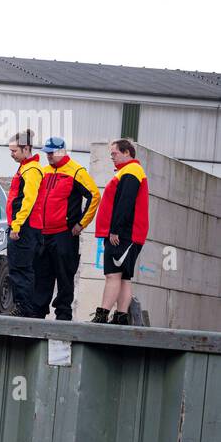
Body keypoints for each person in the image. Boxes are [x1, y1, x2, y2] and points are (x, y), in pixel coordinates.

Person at [29, 136, 100, 320]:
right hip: (43, 234)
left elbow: (94, 195)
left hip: (64, 234)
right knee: (41, 275)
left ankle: (63, 316)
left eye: (52, 153)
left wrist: (81, 223)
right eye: (47, 153)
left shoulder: (76, 171)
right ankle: (37, 313)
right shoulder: (43, 172)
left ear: (62, 151)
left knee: (64, 276)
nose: (48, 156)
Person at [92, 138, 149, 324]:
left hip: (123, 234)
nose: (112, 157)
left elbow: (126, 202)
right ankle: (121, 316)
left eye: (115, 153)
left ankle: (102, 315)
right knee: (124, 276)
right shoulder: (129, 171)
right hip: (128, 233)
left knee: (113, 275)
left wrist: (115, 229)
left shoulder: (131, 171)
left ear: (127, 153)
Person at [5, 130, 44, 316]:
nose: (11, 154)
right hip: (23, 227)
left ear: (26, 148)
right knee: (17, 269)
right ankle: (22, 307)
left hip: (24, 229)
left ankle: (24, 310)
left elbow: (28, 200)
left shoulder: (32, 170)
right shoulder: (25, 167)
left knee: (21, 270)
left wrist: (17, 225)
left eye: (14, 151)